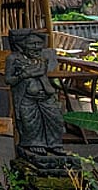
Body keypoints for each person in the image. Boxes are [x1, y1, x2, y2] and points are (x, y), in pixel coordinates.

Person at [4, 28, 68, 157]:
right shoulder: (14, 58)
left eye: (39, 44)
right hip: (27, 97)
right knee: (30, 121)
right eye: (32, 44)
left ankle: (54, 144)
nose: (36, 47)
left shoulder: (43, 58)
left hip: (45, 95)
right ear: (21, 45)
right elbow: (8, 80)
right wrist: (22, 76)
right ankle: (34, 143)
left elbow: (45, 72)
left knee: (55, 118)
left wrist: (32, 72)